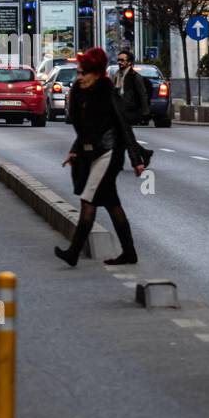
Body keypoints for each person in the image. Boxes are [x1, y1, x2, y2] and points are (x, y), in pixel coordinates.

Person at [56, 47, 152, 267]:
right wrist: (75, 150)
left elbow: (123, 127)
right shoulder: (79, 93)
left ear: (97, 74)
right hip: (92, 152)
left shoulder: (107, 92)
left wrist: (136, 160)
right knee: (111, 203)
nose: (79, 77)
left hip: (109, 152)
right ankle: (129, 252)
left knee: (88, 200)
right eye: (78, 73)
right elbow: (84, 130)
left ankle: (73, 253)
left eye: (84, 73)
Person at [114, 49, 151, 125]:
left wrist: (145, 112)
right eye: (118, 60)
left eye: (122, 60)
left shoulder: (135, 76)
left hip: (130, 111)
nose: (119, 62)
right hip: (118, 110)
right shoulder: (116, 75)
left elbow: (142, 94)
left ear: (129, 62)